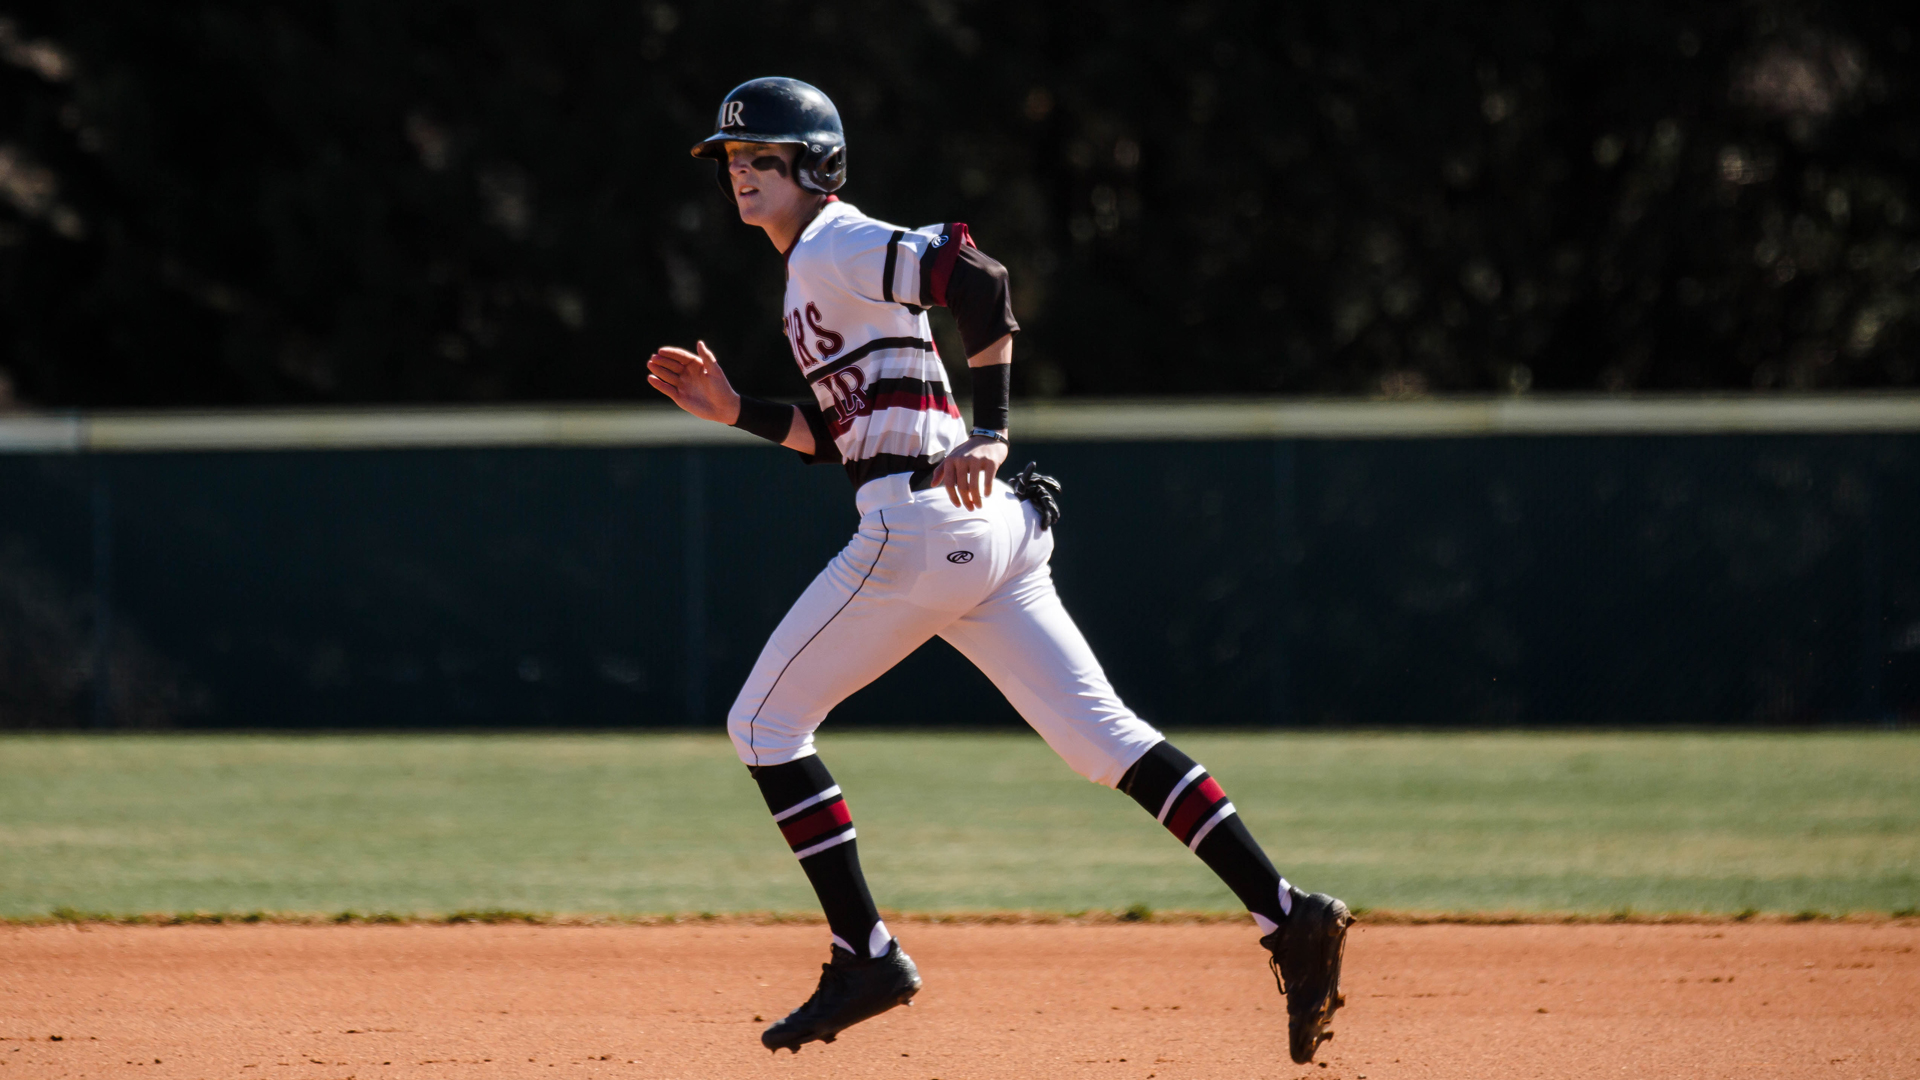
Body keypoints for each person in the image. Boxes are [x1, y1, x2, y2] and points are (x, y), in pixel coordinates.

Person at [646, 76, 1351, 1065]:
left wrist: (992, 428)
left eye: (761, 157)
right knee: (1107, 743)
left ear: (816, 164)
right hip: (986, 532)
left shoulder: (837, 242)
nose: (740, 176)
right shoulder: (813, 266)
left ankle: (867, 953)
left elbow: (978, 277)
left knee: (762, 724)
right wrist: (740, 413)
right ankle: (1289, 915)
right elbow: (844, 440)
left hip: (924, 525)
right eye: (731, 161)